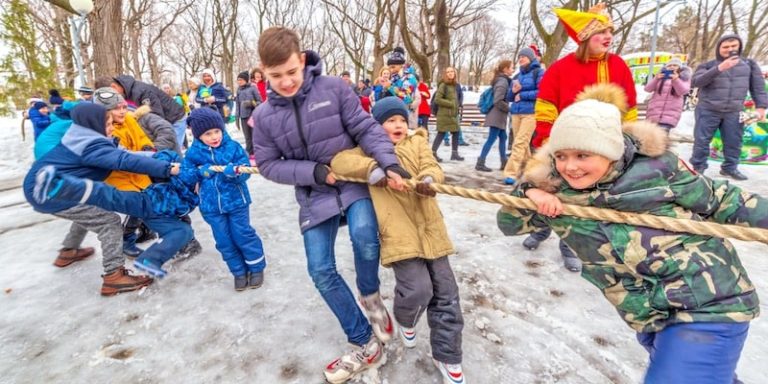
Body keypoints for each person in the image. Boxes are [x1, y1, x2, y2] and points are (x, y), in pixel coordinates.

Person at [498, 83, 765, 384]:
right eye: (561, 156)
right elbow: (509, 225)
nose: (570, 166)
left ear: (609, 150)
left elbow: (723, 199)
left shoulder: (657, 169)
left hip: (709, 301)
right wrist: (530, 190)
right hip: (649, 315)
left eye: (583, 155)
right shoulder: (559, 190)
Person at [250, 26, 409, 383]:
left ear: (301, 60)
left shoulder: (334, 89)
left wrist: (389, 162)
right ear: (263, 72)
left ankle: (370, 295)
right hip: (314, 194)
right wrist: (315, 173)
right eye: (276, 75)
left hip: (353, 183)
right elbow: (269, 165)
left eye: (291, 71)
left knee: (365, 235)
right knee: (320, 270)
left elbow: (366, 129)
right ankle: (363, 340)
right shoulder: (264, 116)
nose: (286, 82)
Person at [330, 97, 465, 384]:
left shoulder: (417, 142)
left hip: (431, 230)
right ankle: (406, 318)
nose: (399, 125)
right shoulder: (367, 149)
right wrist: (372, 169)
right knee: (418, 289)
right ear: (376, 126)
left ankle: (447, 354)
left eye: (402, 120)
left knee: (447, 293)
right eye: (390, 120)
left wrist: (429, 178)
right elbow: (339, 161)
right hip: (399, 234)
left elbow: (432, 165)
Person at [525, 3, 638, 272]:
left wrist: (628, 142)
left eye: (610, 32)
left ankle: (570, 245)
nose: (608, 37)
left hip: (601, 148)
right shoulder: (561, 68)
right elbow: (546, 105)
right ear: (586, 37)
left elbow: (630, 108)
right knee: (548, 190)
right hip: (563, 146)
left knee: (582, 198)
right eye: (601, 32)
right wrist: (547, 142)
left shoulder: (618, 65)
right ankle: (541, 228)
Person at [22, 103, 177, 296]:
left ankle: (69, 251)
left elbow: (123, 154)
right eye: (108, 124)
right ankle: (114, 276)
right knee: (108, 222)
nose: (112, 128)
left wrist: (157, 157)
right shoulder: (91, 145)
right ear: (93, 124)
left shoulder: (83, 136)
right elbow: (123, 161)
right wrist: (167, 169)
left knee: (90, 209)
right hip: (51, 192)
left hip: (43, 186)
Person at [93, 88, 195, 276]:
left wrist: (148, 148)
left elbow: (141, 138)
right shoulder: (105, 131)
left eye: (123, 107)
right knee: (143, 209)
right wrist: (153, 161)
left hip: (142, 175)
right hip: (121, 181)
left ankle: (180, 241)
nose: (122, 111)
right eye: (116, 108)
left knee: (160, 205)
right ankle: (130, 242)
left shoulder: (129, 119)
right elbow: (123, 157)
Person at [181, 108, 267, 290]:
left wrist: (234, 173)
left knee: (242, 234)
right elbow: (186, 175)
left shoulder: (232, 147)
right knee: (224, 241)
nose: (214, 137)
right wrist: (200, 172)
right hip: (211, 207)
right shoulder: (193, 153)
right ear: (198, 135)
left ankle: (256, 268)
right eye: (208, 134)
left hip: (236, 202)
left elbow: (245, 171)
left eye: (216, 131)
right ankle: (239, 272)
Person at [689, 33, 768, 180]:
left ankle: (730, 168)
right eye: (725, 47)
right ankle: (698, 167)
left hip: (734, 111)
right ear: (719, 48)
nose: (730, 49)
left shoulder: (749, 65)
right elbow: (696, 82)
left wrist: (761, 106)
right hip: (708, 109)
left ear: (739, 47)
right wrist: (719, 68)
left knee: (734, 141)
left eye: (733, 46)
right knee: (702, 140)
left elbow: (758, 88)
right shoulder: (707, 65)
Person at [111, 75, 187, 152]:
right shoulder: (129, 93)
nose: (113, 92)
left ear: (120, 85)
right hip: (164, 119)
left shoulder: (140, 91)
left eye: (114, 88)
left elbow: (156, 113)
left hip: (175, 118)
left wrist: (154, 150)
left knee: (173, 146)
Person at [503, 47, 545, 184]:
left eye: (524, 56)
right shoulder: (517, 76)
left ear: (531, 58)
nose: (521, 59)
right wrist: (514, 91)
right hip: (516, 113)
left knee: (519, 143)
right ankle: (530, 170)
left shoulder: (539, 72)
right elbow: (509, 97)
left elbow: (542, 91)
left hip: (530, 113)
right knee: (523, 144)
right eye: (519, 57)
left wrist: (522, 94)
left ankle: (511, 173)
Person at [476, 60, 513, 172]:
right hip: (496, 115)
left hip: (498, 115)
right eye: (511, 68)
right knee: (491, 139)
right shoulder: (503, 82)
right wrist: (510, 109)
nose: (513, 70)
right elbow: (498, 100)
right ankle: (480, 162)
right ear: (505, 69)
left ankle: (504, 162)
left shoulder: (502, 80)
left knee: (503, 138)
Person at [644, 58, 691, 132]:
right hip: (654, 112)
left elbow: (683, 91)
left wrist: (676, 80)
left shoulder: (683, 78)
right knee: (650, 136)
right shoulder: (660, 76)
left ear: (679, 67)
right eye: (669, 65)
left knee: (662, 136)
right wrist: (656, 79)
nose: (672, 67)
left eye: (675, 65)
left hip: (670, 114)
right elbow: (647, 89)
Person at [431, 67, 463, 162]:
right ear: (445, 74)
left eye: (452, 71)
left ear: (455, 73)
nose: (450, 73)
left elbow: (458, 97)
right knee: (441, 133)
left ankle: (454, 154)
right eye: (448, 72)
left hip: (453, 114)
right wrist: (450, 103)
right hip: (444, 114)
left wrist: (458, 104)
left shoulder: (455, 85)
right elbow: (437, 99)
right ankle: (432, 154)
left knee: (456, 132)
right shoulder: (443, 85)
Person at [234, 70, 262, 157]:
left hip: (252, 116)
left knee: (254, 136)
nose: (239, 82)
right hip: (243, 117)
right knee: (247, 137)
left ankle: (257, 153)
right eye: (238, 80)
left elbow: (260, 102)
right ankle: (249, 154)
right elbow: (237, 105)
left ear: (246, 80)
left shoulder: (253, 88)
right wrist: (237, 118)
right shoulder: (238, 90)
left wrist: (251, 103)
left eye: (241, 80)